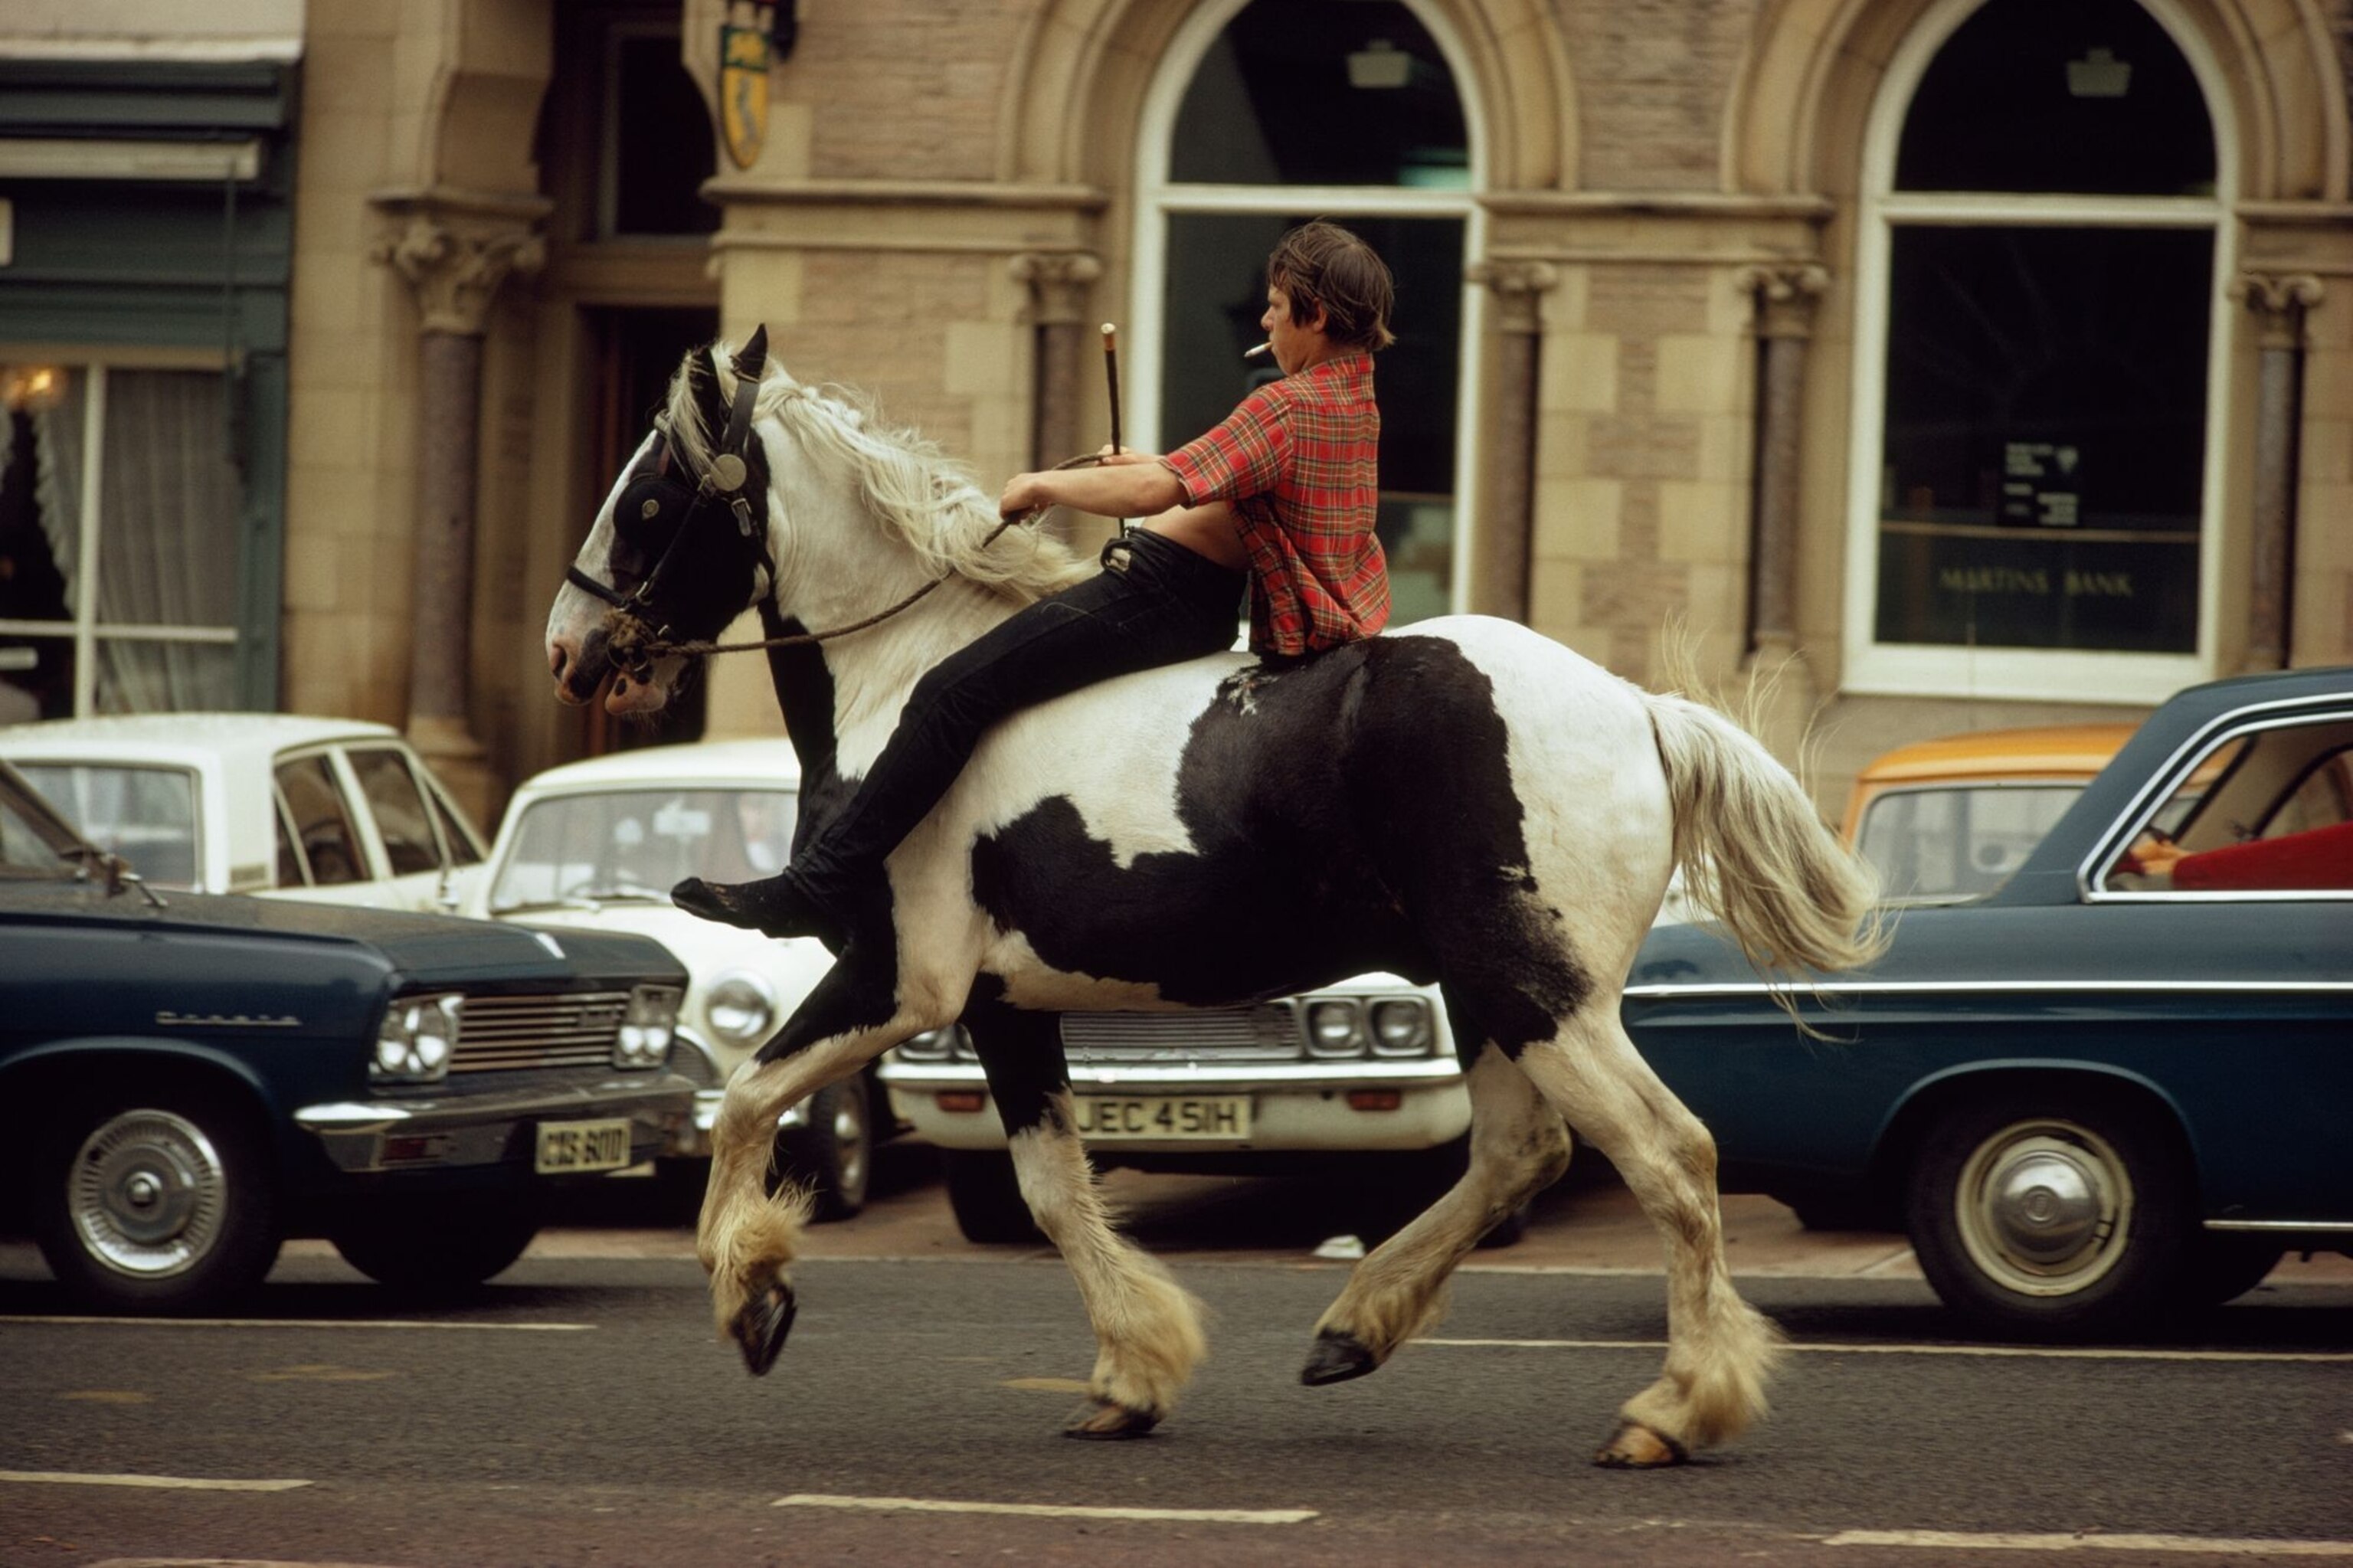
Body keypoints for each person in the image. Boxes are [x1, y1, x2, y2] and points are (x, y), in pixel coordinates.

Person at [673, 219, 1396, 946]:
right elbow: (1217, 481)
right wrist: (1143, 464)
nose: (1266, 319)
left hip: (1159, 595)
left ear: (1318, 315)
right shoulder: (1352, 402)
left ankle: (819, 883)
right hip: (1196, 600)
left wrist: (1042, 485)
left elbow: (1159, 492)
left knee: (951, 692)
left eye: (1277, 305)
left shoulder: (1287, 404)